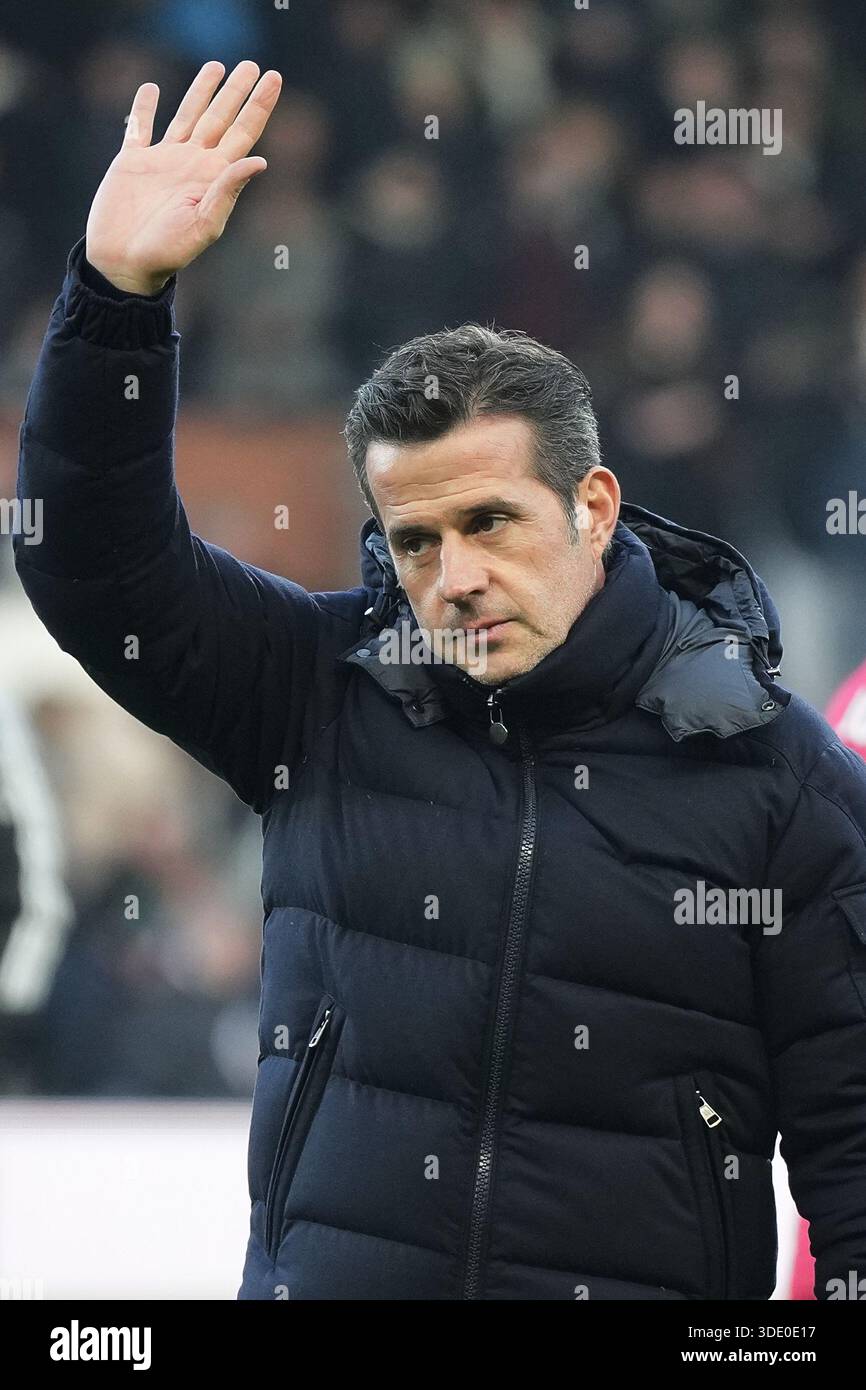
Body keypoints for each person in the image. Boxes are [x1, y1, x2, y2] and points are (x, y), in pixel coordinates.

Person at [14, 59, 866, 1301]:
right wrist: (116, 301)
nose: (451, 574)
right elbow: (93, 564)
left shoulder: (779, 781)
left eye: (487, 522)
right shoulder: (314, 688)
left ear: (591, 506)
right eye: (413, 540)